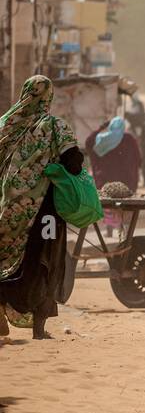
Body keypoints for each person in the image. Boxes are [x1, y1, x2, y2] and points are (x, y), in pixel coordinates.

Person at [0, 75, 82, 340]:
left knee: (5, 262)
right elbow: (74, 163)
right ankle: (39, 328)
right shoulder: (55, 127)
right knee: (45, 263)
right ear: (49, 96)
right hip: (44, 214)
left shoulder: (5, 124)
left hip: (6, 212)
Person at [85, 114, 142, 236]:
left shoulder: (102, 139)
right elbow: (138, 159)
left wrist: (100, 129)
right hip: (127, 182)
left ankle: (110, 229)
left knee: (109, 205)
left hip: (106, 181)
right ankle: (125, 230)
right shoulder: (129, 139)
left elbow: (89, 143)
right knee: (126, 206)